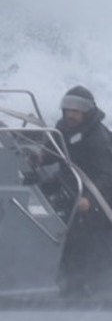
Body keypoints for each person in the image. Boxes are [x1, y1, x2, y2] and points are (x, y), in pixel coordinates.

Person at [44, 86, 112, 295]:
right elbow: (53, 153)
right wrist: (39, 157)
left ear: (87, 111)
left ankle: (82, 291)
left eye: (77, 110)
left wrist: (89, 199)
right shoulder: (62, 128)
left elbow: (106, 175)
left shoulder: (98, 139)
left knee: (85, 243)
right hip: (68, 189)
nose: (71, 114)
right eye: (68, 109)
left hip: (99, 199)